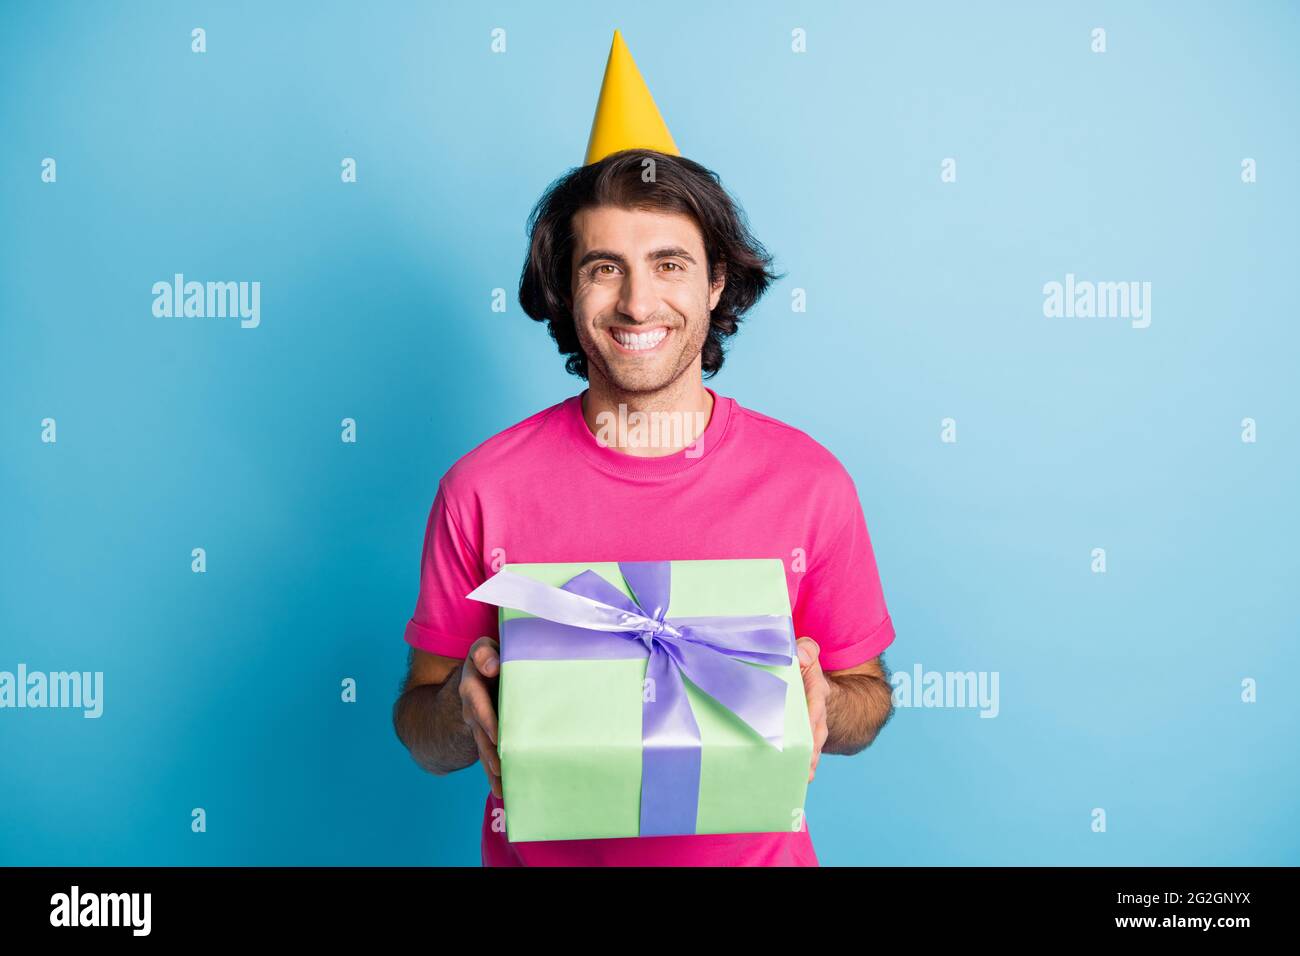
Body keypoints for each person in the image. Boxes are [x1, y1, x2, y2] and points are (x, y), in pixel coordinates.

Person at [392, 29, 896, 866]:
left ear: (717, 281)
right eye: (603, 267)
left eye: (668, 263)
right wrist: (459, 707)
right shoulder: (482, 488)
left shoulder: (808, 483)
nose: (637, 302)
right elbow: (420, 729)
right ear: (566, 286)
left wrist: (827, 704)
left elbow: (867, 699)